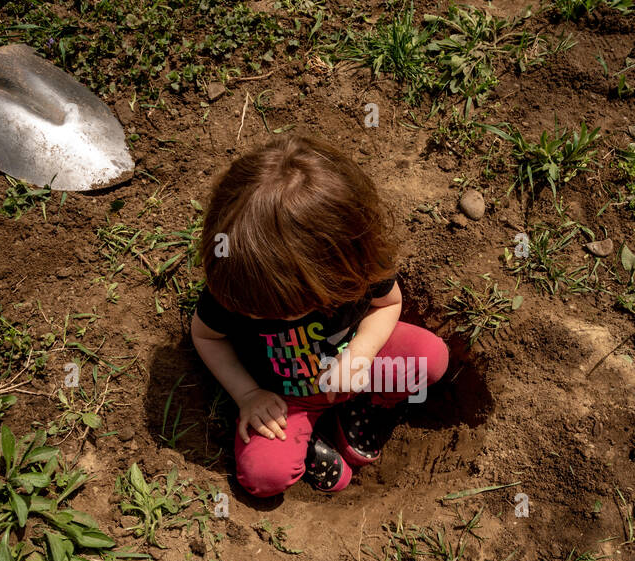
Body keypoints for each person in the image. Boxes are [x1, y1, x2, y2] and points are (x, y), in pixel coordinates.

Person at [190, 135, 449, 496]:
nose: (275, 319)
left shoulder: (359, 270)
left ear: (339, 268)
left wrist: (360, 354)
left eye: (289, 309)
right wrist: (248, 394)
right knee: (264, 476)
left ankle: (368, 405)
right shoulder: (239, 282)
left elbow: (388, 304)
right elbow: (206, 335)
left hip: (356, 371)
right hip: (285, 398)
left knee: (429, 358)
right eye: (259, 312)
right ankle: (306, 438)